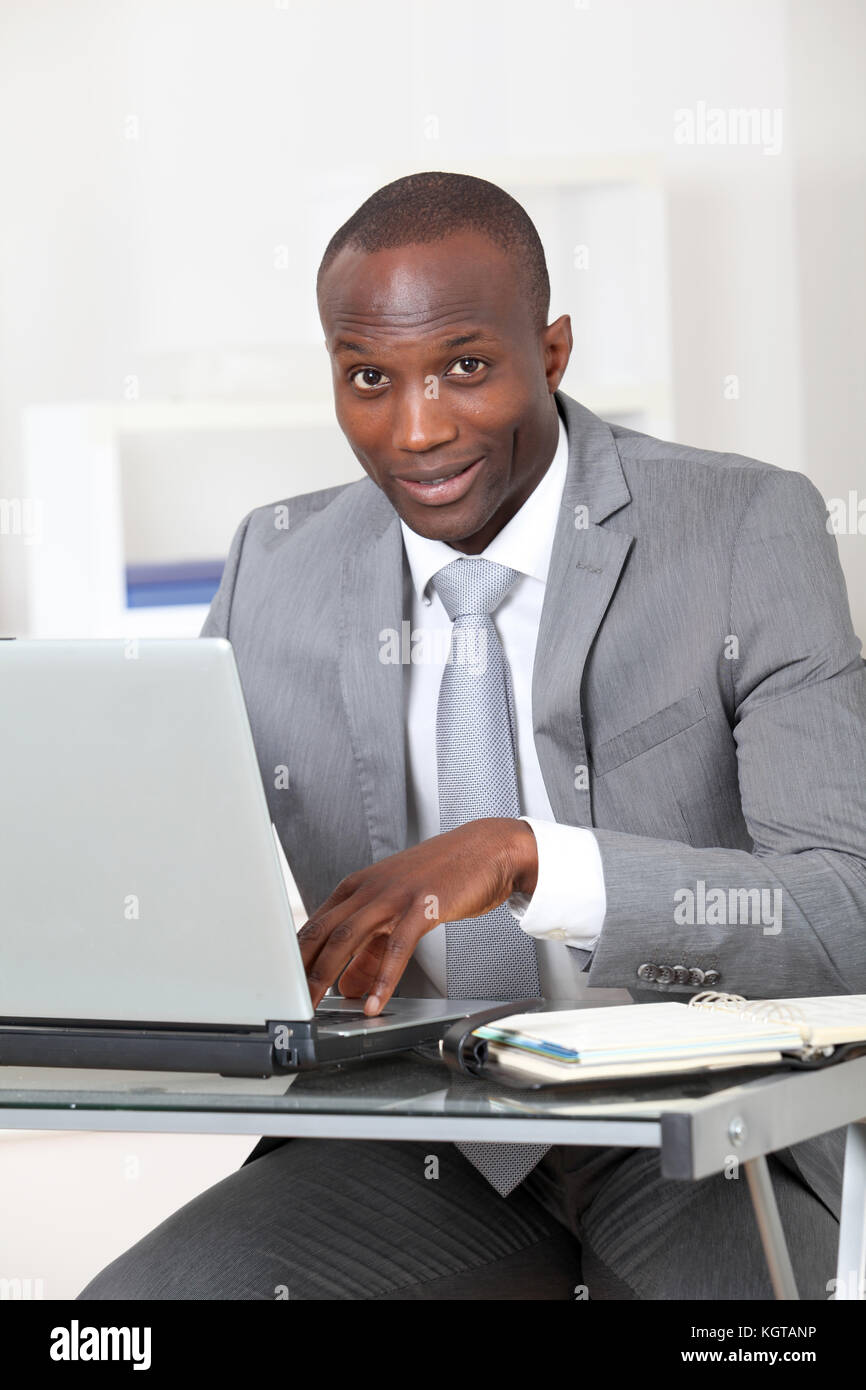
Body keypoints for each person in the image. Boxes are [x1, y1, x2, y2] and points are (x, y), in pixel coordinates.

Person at [78, 171, 866, 1300]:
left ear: (549, 352)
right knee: (127, 1322)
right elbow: (166, 862)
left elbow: (841, 905)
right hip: (415, 1137)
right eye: (367, 377)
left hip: (706, 1129)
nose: (417, 428)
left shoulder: (742, 529)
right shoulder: (277, 562)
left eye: (464, 365)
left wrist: (527, 857)